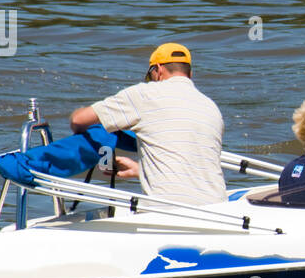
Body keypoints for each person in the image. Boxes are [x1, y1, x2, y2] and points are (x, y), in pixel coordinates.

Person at [69, 43, 226, 205]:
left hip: (168, 212)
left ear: (158, 70)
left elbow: (78, 120)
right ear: (190, 74)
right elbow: (192, 160)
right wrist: (141, 170)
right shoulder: (211, 107)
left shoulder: (145, 94)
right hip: (218, 208)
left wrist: (82, 129)